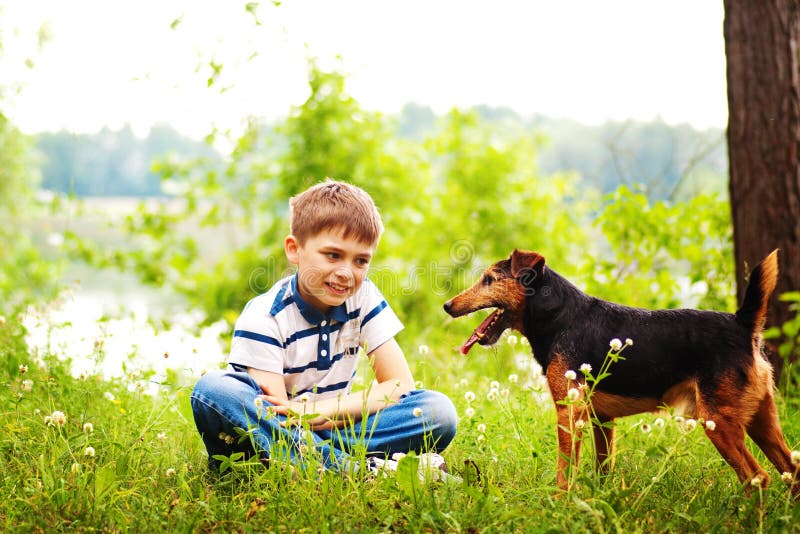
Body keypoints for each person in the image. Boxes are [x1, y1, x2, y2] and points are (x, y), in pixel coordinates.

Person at [191, 179, 458, 477]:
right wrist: (310, 417)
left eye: (361, 261)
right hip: (270, 435)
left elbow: (398, 385)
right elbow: (280, 417)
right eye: (333, 255)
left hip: (331, 427)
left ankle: (325, 464)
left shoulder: (363, 297)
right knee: (214, 390)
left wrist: (322, 412)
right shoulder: (265, 316)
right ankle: (364, 471)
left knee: (437, 411)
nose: (346, 273)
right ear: (294, 250)